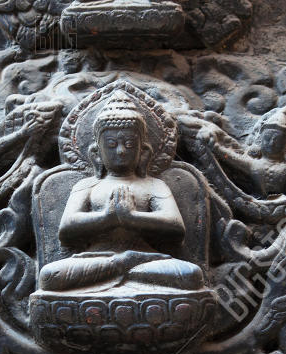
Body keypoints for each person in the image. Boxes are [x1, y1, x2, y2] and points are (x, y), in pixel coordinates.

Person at [38, 93, 204, 293]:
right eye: (111, 145)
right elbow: (66, 230)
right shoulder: (87, 186)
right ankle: (121, 267)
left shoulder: (154, 185)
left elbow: (176, 228)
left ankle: (124, 267)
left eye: (129, 144)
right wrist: (107, 217)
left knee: (191, 275)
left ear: (144, 151)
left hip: (144, 259)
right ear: (96, 152)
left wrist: (131, 217)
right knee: (50, 276)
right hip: (96, 260)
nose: (121, 151)